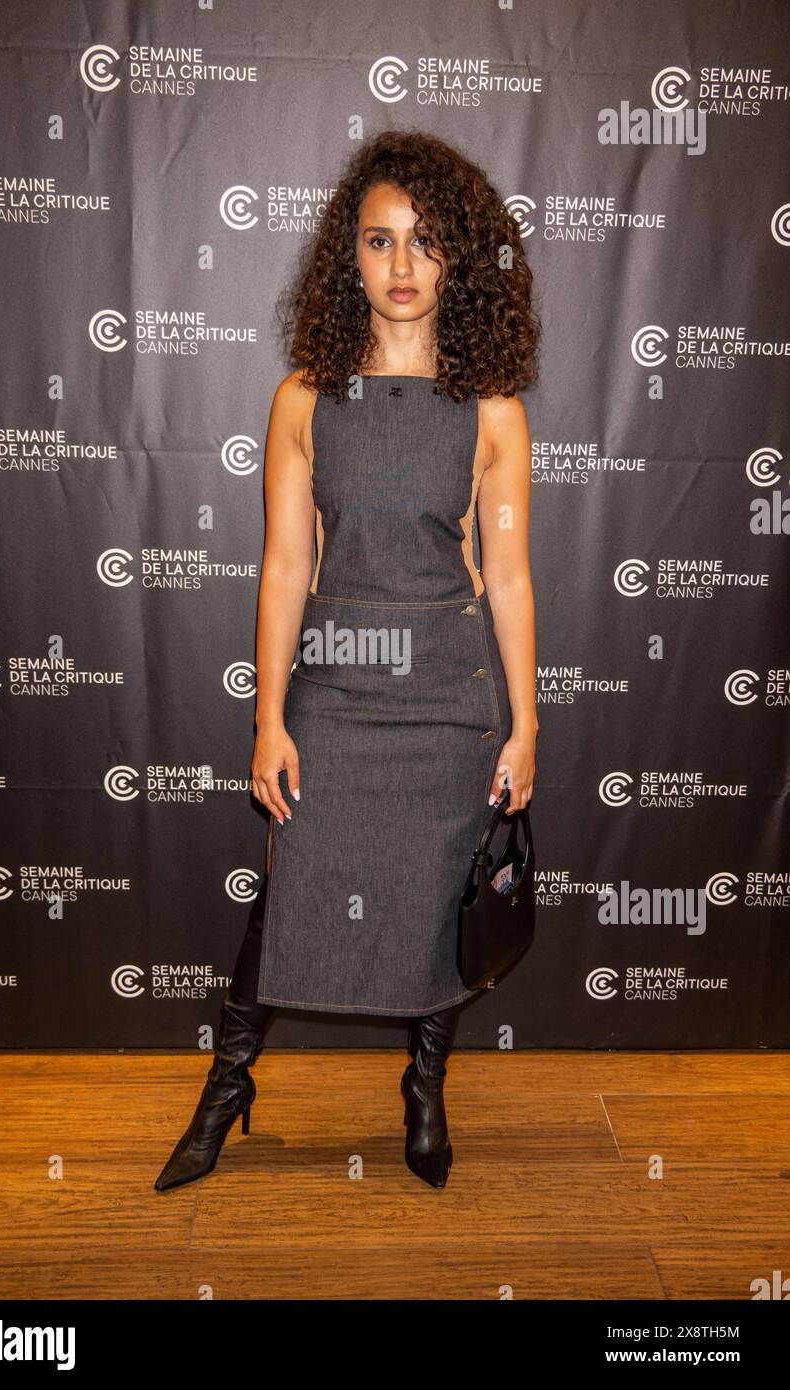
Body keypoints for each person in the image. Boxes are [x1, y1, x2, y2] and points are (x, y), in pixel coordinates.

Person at [155, 128, 540, 1194]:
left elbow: (505, 577)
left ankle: (424, 1088)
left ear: (457, 258)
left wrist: (527, 722)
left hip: (450, 698)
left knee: (432, 904)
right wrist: (268, 719)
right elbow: (284, 568)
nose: (403, 267)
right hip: (333, 694)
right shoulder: (303, 399)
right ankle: (226, 1091)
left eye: (424, 244)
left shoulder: (492, 412)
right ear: (349, 259)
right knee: (286, 899)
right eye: (379, 242)